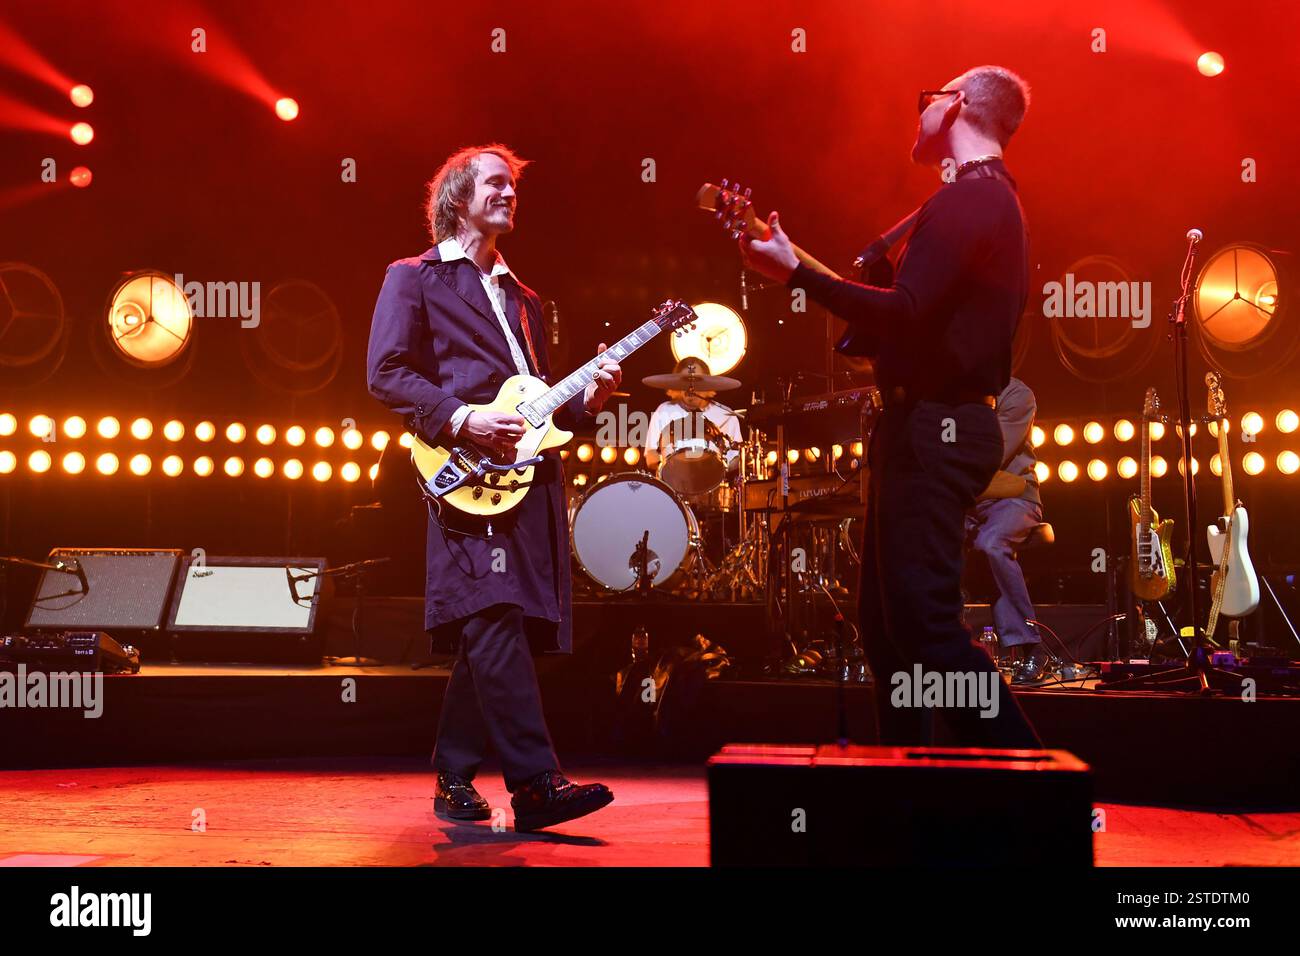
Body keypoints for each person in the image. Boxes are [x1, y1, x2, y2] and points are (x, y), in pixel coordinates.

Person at [740, 66, 1042, 748]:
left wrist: (798, 276)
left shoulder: (971, 202)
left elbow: (906, 313)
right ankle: (905, 781)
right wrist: (820, 274)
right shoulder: (975, 202)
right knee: (887, 630)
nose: (918, 112)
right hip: (918, 426)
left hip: (937, 429)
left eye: (926, 98)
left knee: (925, 624)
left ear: (957, 103)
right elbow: (909, 323)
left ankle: (1029, 774)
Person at [367, 144, 622, 831]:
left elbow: (541, 410)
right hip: (463, 477)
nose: (510, 193)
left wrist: (587, 403)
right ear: (457, 197)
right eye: (496, 183)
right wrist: (463, 417)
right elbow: (385, 372)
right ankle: (536, 785)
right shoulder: (414, 277)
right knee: (495, 611)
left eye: (514, 185)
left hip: (525, 482)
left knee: (494, 621)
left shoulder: (526, 299)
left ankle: (454, 772)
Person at [966, 376, 1049, 683]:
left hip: (1014, 498)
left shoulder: (1018, 395)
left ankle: (1032, 647)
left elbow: (990, 455)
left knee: (991, 542)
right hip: (968, 501)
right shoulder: (956, 396)